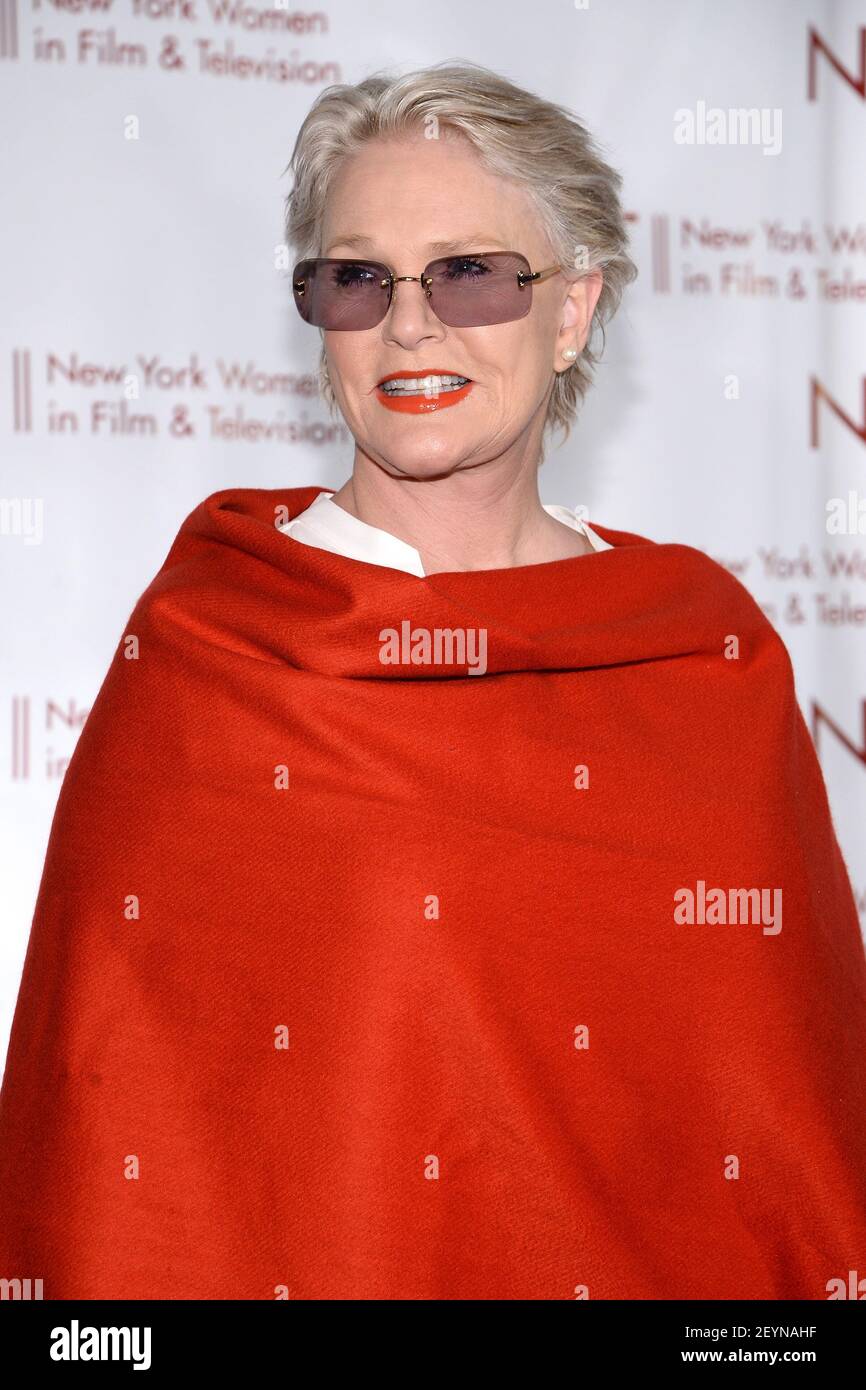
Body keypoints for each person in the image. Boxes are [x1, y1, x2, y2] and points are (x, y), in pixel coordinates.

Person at [1, 60, 864, 1302]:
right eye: (358, 279)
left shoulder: (700, 653)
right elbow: (108, 1135)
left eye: (468, 272)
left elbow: (790, 1135)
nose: (409, 326)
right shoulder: (212, 643)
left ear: (571, 310)